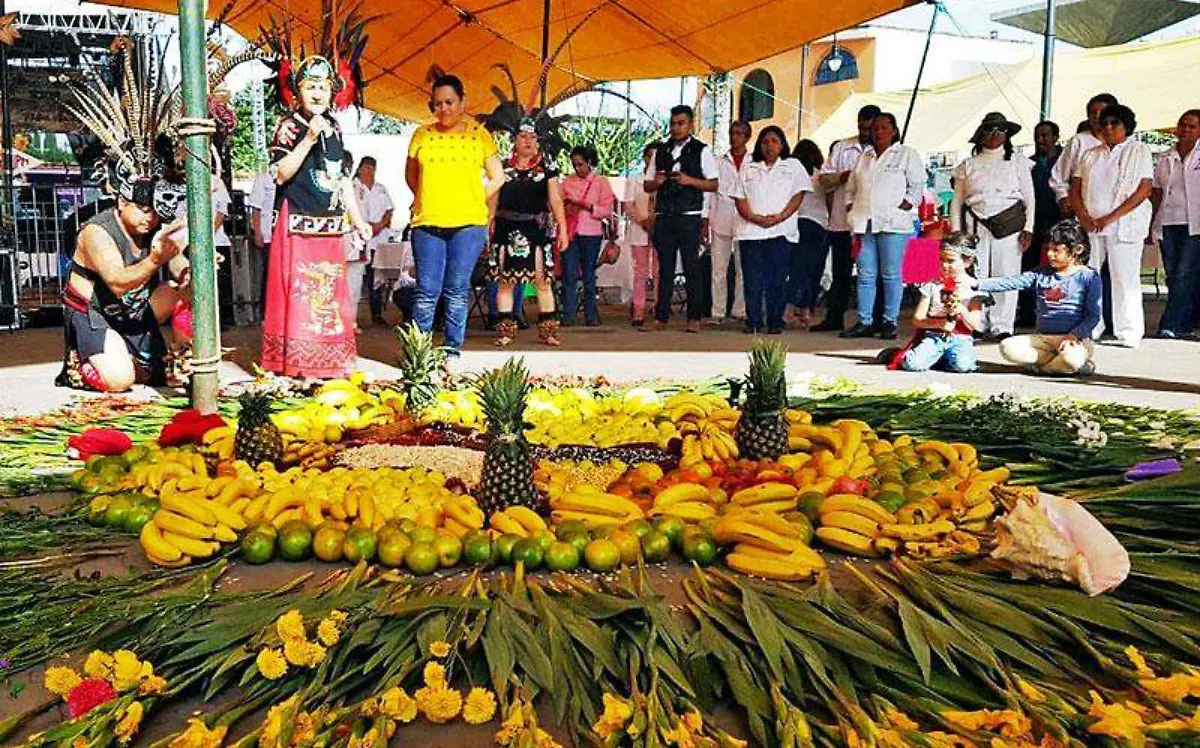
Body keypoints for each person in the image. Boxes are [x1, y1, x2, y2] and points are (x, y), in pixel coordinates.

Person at [55, 38, 190, 392]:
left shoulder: (156, 223)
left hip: (132, 311)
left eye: (152, 209)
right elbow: (116, 281)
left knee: (184, 290)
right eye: (141, 208)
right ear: (120, 201)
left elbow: (173, 263)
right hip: (94, 312)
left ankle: (148, 353)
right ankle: (82, 362)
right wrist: (156, 259)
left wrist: (187, 269)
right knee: (120, 381)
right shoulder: (96, 232)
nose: (149, 217)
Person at [261, 52, 371, 379]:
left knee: (328, 296)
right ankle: (297, 364)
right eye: (311, 86)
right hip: (297, 223)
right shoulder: (287, 126)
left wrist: (359, 219)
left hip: (331, 227)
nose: (318, 93)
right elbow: (281, 173)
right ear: (297, 91)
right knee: (301, 293)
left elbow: (341, 179)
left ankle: (329, 362)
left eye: (324, 86)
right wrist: (309, 137)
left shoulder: (335, 127)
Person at [405, 74, 506, 359]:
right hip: (427, 223)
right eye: (437, 104)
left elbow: (498, 177)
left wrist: (473, 198)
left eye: (449, 102)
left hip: (468, 225)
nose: (444, 109)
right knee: (426, 292)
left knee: (457, 290)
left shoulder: (479, 134)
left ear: (462, 102)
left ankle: (452, 353)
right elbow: (412, 176)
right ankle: (419, 355)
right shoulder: (421, 135)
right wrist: (426, 198)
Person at [1070, 103, 1153, 348]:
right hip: (1091, 225)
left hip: (1124, 224)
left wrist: (1111, 217)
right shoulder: (1090, 154)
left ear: (1126, 127)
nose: (1108, 127)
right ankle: (1092, 327)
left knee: (1124, 277)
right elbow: (1074, 189)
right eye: (1104, 123)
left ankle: (1129, 331)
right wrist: (1083, 216)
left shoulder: (1138, 150)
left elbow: (1144, 189)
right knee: (1089, 276)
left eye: (1114, 123)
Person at [949, 112, 1035, 341]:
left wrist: (1029, 228)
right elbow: (956, 202)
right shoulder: (968, 165)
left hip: (1009, 225)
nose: (995, 135)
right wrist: (956, 233)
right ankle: (977, 321)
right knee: (977, 274)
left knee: (1007, 273)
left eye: (1001, 130)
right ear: (981, 134)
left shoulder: (1017, 161)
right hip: (976, 225)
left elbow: (1029, 197)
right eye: (990, 130)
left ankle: (1003, 325)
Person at [976, 220, 1101, 377]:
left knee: (1071, 359)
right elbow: (1009, 282)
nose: (1050, 254)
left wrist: (1074, 335)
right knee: (1007, 348)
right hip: (1043, 339)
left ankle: (1050, 367)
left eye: (1056, 250)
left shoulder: (1089, 276)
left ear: (1077, 250)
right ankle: (1061, 365)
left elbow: (1093, 316)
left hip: (1075, 340)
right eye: (1048, 249)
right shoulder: (1041, 273)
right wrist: (976, 284)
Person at [842, 112, 924, 340]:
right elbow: (850, 187)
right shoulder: (865, 156)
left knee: (891, 274)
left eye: (883, 127)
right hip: (863, 222)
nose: (878, 132)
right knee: (865, 275)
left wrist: (905, 205)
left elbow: (917, 186)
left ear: (894, 130)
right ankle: (864, 320)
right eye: (875, 128)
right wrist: (850, 207)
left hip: (893, 223)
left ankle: (889, 321)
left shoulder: (905, 154)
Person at [487, 120, 570, 346]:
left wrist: (563, 228)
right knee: (505, 282)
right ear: (514, 140)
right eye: (523, 136)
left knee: (543, 282)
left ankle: (549, 333)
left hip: (537, 230)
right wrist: (488, 224)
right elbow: (492, 198)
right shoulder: (502, 168)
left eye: (532, 137)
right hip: (505, 229)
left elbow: (555, 199)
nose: (528, 141)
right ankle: (505, 332)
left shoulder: (547, 169)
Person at [643, 105, 720, 333]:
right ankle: (661, 317)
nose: (676, 128)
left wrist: (690, 181)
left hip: (689, 216)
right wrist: (657, 183)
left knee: (691, 267)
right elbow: (647, 185)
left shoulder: (702, 151)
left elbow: (714, 184)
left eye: (681, 123)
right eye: (673, 123)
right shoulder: (661, 151)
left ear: (691, 124)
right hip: (665, 215)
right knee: (664, 269)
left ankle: (694, 317)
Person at [729, 126, 810, 334]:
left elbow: (798, 195)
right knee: (752, 279)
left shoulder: (792, 166)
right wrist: (754, 217)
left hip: (781, 231)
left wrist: (779, 217)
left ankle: (775, 321)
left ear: (782, 144)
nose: (769, 146)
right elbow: (740, 197)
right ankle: (753, 321)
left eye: (774, 141)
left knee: (777, 279)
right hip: (750, 231)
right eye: (765, 141)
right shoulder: (749, 167)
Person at [813, 104, 880, 332]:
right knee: (840, 273)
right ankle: (834, 317)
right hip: (841, 220)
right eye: (861, 127)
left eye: (870, 129)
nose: (865, 133)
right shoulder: (842, 148)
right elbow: (824, 179)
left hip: (871, 222)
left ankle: (873, 320)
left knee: (871, 273)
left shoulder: (886, 152)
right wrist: (847, 176)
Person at [884, 232, 987, 373]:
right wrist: (939, 324)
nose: (944, 265)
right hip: (935, 336)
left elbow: (974, 324)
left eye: (950, 261)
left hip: (961, 338)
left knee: (963, 366)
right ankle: (907, 354)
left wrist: (961, 310)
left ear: (967, 261)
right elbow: (917, 319)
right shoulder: (932, 284)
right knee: (913, 365)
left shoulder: (974, 288)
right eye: (941, 259)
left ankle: (941, 358)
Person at [1149, 109, 1200, 339]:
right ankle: (1187, 321)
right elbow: (1157, 192)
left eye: (1192, 126)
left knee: (1183, 273)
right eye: (1183, 125)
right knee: (1173, 276)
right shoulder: (1165, 157)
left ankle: (1169, 324)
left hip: (1194, 223)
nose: (1186, 130)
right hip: (1168, 221)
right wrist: (1151, 223)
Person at [560, 144, 615, 327]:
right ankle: (568, 314)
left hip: (591, 233)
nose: (577, 168)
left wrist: (588, 206)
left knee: (589, 275)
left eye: (581, 164)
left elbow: (608, 211)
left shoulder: (601, 182)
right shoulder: (567, 181)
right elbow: (557, 204)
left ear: (590, 163)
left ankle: (591, 314)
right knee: (569, 274)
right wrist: (568, 206)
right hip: (570, 233)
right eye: (574, 165)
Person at [1021, 120, 1062, 327]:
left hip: (1057, 221)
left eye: (1045, 135)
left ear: (1056, 136)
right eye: (1037, 135)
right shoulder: (1029, 163)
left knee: (1056, 268)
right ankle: (1027, 312)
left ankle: (1054, 312)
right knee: (1029, 267)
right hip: (1033, 223)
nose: (1040, 140)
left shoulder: (1064, 161)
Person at [709, 121, 751, 325]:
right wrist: (705, 219)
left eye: (739, 134)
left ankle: (740, 310)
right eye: (732, 133)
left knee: (743, 269)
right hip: (721, 219)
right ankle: (717, 312)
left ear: (747, 137)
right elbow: (710, 193)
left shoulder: (753, 162)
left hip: (745, 221)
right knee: (718, 269)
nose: (735, 137)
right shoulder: (718, 161)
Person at [1051, 93, 1118, 216]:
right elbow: (1058, 177)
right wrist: (1063, 197)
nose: (1097, 116)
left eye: (1102, 112)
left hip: (1116, 213)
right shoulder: (1079, 141)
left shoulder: (1126, 144)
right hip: (1083, 212)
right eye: (1093, 113)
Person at [787, 139, 829, 329]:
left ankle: (793, 306)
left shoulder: (792, 176)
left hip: (797, 223)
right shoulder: (821, 177)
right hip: (819, 225)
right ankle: (806, 309)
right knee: (813, 271)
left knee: (797, 269)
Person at [351, 155, 395, 326]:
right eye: (366, 168)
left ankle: (376, 313)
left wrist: (380, 225)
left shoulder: (381, 189)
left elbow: (389, 210)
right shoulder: (353, 187)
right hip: (359, 238)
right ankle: (351, 316)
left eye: (372, 168)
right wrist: (365, 226)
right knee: (356, 276)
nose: (369, 171)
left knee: (377, 276)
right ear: (360, 168)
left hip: (378, 238)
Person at [625, 142, 659, 326]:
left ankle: (659, 307)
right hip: (640, 229)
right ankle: (638, 308)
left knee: (660, 270)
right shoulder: (635, 180)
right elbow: (628, 206)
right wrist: (643, 221)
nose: (652, 160)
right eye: (649, 156)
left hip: (661, 230)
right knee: (640, 271)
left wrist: (655, 222)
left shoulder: (664, 181)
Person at [247, 167, 277, 318]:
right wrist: (257, 232)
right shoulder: (263, 178)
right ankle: (266, 312)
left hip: (285, 234)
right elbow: (256, 209)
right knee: (269, 274)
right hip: (268, 234)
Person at [211, 171, 235, 326]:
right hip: (187, 241)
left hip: (217, 240)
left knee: (222, 282)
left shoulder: (216, 181)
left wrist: (209, 233)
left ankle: (223, 319)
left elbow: (222, 210)